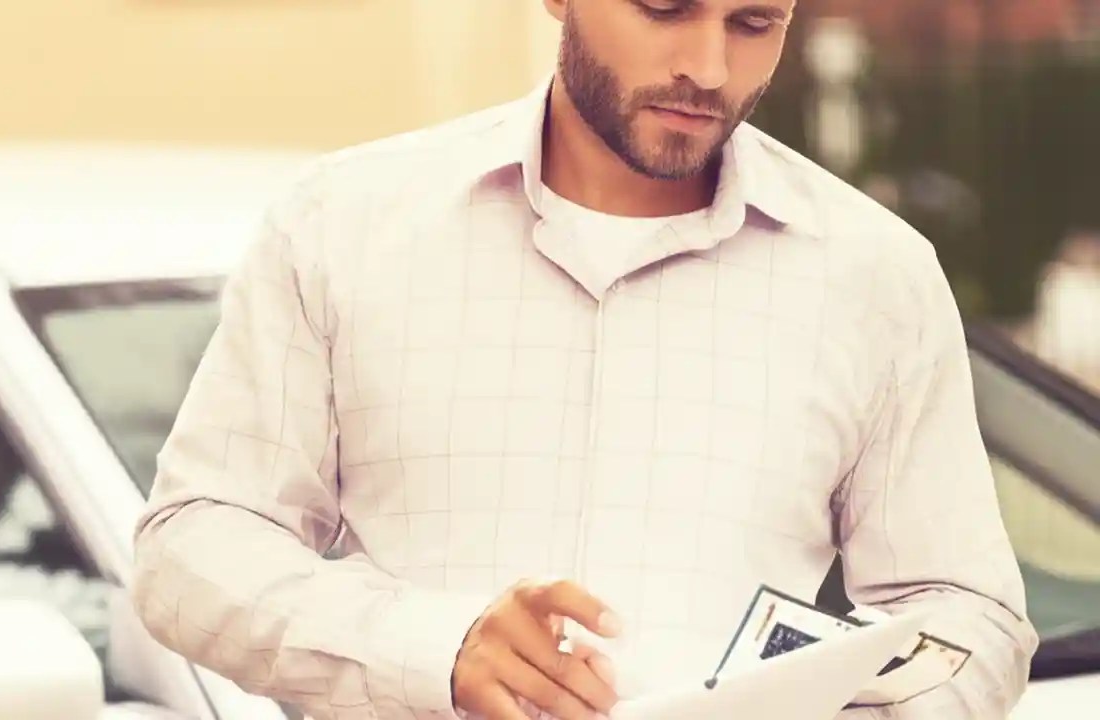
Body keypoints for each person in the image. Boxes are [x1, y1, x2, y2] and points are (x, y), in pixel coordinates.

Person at [131, 1, 1039, 718]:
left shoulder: (876, 274)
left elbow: (969, 615)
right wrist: (434, 647)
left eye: (753, 23)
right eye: (664, 7)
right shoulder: (341, 225)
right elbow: (190, 548)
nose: (709, 68)